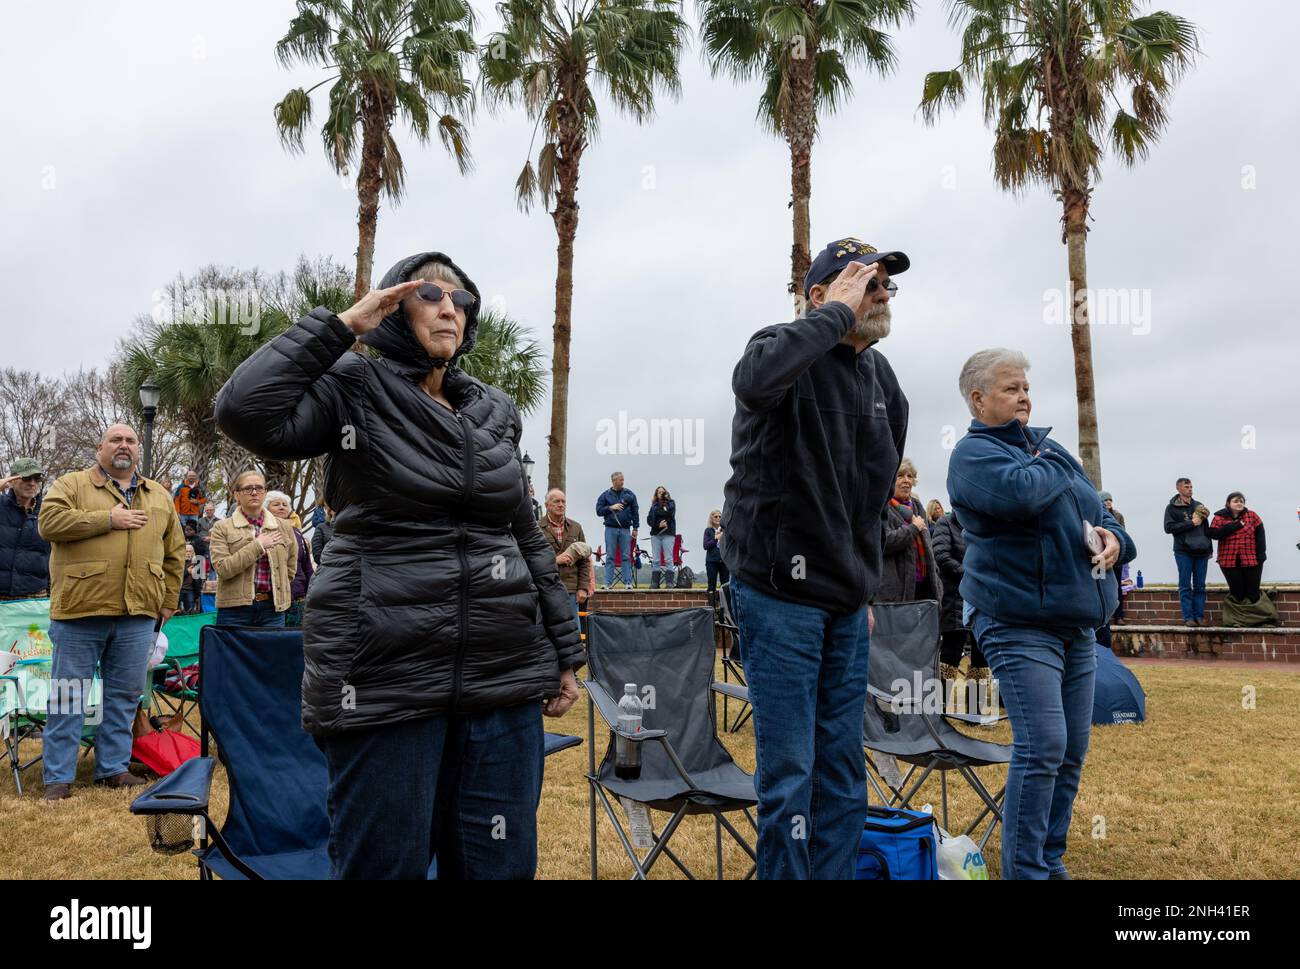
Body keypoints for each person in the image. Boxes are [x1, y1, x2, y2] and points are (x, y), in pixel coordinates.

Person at [215, 249, 582, 880]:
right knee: (385, 865)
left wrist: (563, 651)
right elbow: (244, 411)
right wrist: (341, 327)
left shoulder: (493, 410)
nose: (450, 309)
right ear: (392, 308)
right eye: (431, 295)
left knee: (500, 865)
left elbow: (522, 532)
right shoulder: (355, 386)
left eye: (461, 300)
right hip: (384, 673)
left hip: (501, 674)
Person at [722, 236, 910, 879]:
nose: (881, 292)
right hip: (777, 594)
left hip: (843, 603)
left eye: (886, 284)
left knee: (841, 765)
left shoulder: (883, 380)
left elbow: (869, 497)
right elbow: (753, 384)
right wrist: (833, 315)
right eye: (866, 280)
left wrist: (863, 591)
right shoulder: (778, 348)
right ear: (820, 294)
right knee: (790, 770)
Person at [947, 349, 1135, 880]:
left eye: (1026, 387)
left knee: (1071, 750)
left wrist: (1114, 540)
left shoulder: (1045, 451)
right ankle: (1026, 871)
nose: (1025, 396)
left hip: (1077, 623)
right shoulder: (974, 455)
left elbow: (1104, 515)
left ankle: (1051, 864)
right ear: (978, 399)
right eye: (1011, 389)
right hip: (1015, 620)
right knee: (1044, 744)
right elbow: (1024, 495)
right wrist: (1047, 453)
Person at [36, 424, 185, 800]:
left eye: (131, 440)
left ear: (138, 450)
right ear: (100, 447)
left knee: (124, 696)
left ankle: (113, 769)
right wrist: (107, 520)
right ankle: (58, 777)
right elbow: (49, 523)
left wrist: (167, 600)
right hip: (80, 612)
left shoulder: (159, 495)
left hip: (138, 614)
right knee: (68, 695)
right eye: (116, 440)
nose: (124, 446)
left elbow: (175, 552)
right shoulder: (71, 485)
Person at [207, 470, 296, 627]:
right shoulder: (222, 528)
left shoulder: (283, 526)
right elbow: (222, 569)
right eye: (248, 489)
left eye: (259, 488)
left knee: (270, 652)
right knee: (233, 652)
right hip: (234, 610)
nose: (254, 492)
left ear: (264, 493)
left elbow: (290, 567)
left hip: (273, 610)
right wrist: (258, 545)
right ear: (237, 495)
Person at [929, 509, 990, 686]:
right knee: (950, 657)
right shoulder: (946, 522)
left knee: (981, 659)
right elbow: (941, 556)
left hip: (981, 602)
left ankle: (975, 708)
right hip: (954, 600)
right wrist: (973, 574)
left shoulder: (983, 524)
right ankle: (940, 707)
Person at [878, 459, 941, 604]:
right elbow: (884, 541)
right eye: (900, 476)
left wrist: (937, 581)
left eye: (910, 476)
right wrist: (913, 528)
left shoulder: (918, 506)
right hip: (896, 591)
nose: (906, 481)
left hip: (924, 586)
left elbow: (928, 547)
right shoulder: (884, 507)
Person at [1164, 477, 1213, 627]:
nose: (1190, 489)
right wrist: (1191, 523)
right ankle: (1188, 618)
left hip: (1201, 551)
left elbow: (1206, 529)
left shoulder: (1199, 506)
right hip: (1183, 551)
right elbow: (1169, 528)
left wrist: (1210, 549)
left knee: (1200, 586)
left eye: (1191, 486)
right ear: (1178, 488)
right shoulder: (1171, 508)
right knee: (1185, 585)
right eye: (1186, 487)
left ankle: (1199, 616)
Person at [0, 458, 51, 600]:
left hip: (35, 598)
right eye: (26, 478)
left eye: (37, 478)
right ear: (11, 480)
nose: (32, 483)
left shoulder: (48, 511)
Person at [538, 488, 590, 622]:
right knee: (547, 628)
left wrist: (583, 588)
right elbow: (531, 559)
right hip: (545, 587)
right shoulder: (536, 529)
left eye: (563, 501)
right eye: (556, 501)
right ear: (547, 505)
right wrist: (555, 560)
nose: (561, 505)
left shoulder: (576, 527)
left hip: (571, 589)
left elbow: (584, 561)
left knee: (573, 630)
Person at [266, 489, 314, 626]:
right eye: (276, 504)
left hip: (298, 596)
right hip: (274, 598)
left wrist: (310, 591)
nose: (281, 507)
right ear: (266, 508)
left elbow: (307, 567)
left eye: (285, 504)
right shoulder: (262, 531)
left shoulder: (297, 533)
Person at [1209, 493, 1266, 603]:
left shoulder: (1252, 515)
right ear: (1228, 503)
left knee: (1253, 593)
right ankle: (1239, 618)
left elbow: (1261, 536)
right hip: (1228, 561)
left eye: (1241, 501)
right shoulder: (1219, 517)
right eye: (1236, 501)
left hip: (1252, 560)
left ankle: (1255, 618)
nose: (1239, 503)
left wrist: (1261, 556)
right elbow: (1213, 534)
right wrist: (1233, 526)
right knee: (1237, 593)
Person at [596, 472, 638, 589]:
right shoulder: (605, 495)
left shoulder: (630, 494)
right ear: (614, 481)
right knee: (610, 556)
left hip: (625, 529)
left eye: (623, 480)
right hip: (610, 529)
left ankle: (628, 583)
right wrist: (611, 507)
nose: (622, 482)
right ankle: (608, 583)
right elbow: (598, 511)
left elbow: (635, 511)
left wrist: (635, 527)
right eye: (620, 480)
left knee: (626, 556)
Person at [646, 486, 677, 589]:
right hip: (656, 535)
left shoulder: (671, 503)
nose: (661, 494)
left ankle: (669, 583)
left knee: (668, 558)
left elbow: (670, 514)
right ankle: (655, 583)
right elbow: (649, 520)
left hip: (668, 534)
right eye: (659, 492)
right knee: (655, 559)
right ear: (656, 494)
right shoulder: (653, 506)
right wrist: (658, 525)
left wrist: (660, 511)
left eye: (663, 492)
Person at [702, 509, 728, 603]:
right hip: (712, 561)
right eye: (715, 516)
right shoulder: (708, 531)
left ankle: (724, 611)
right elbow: (705, 546)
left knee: (725, 585)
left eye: (719, 516)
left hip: (724, 561)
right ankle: (711, 610)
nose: (718, 518)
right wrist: (715, 539)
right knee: (711, 585)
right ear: (711, 518)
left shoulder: (725, 530)